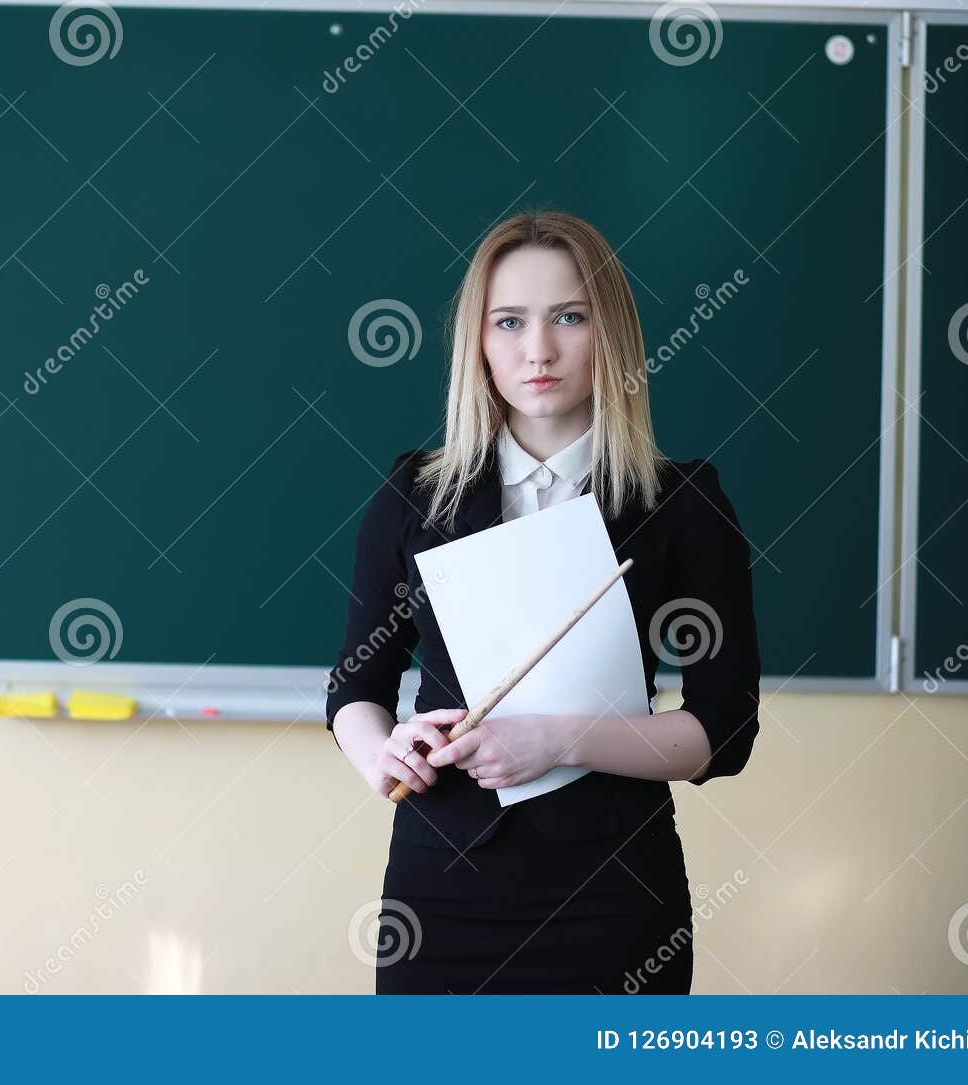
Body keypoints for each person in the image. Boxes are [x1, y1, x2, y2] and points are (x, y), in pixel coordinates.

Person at [324, 209, 761, 994]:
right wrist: (379, 752)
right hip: (443, 889)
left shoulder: (683, 502)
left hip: (616, 894)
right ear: (478, 342)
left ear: (610, 332)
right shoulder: (416, 496)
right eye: (509, 322)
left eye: (569, 316)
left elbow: (722, 733)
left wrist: (562, 740)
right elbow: (355, 691)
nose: (539, 350)